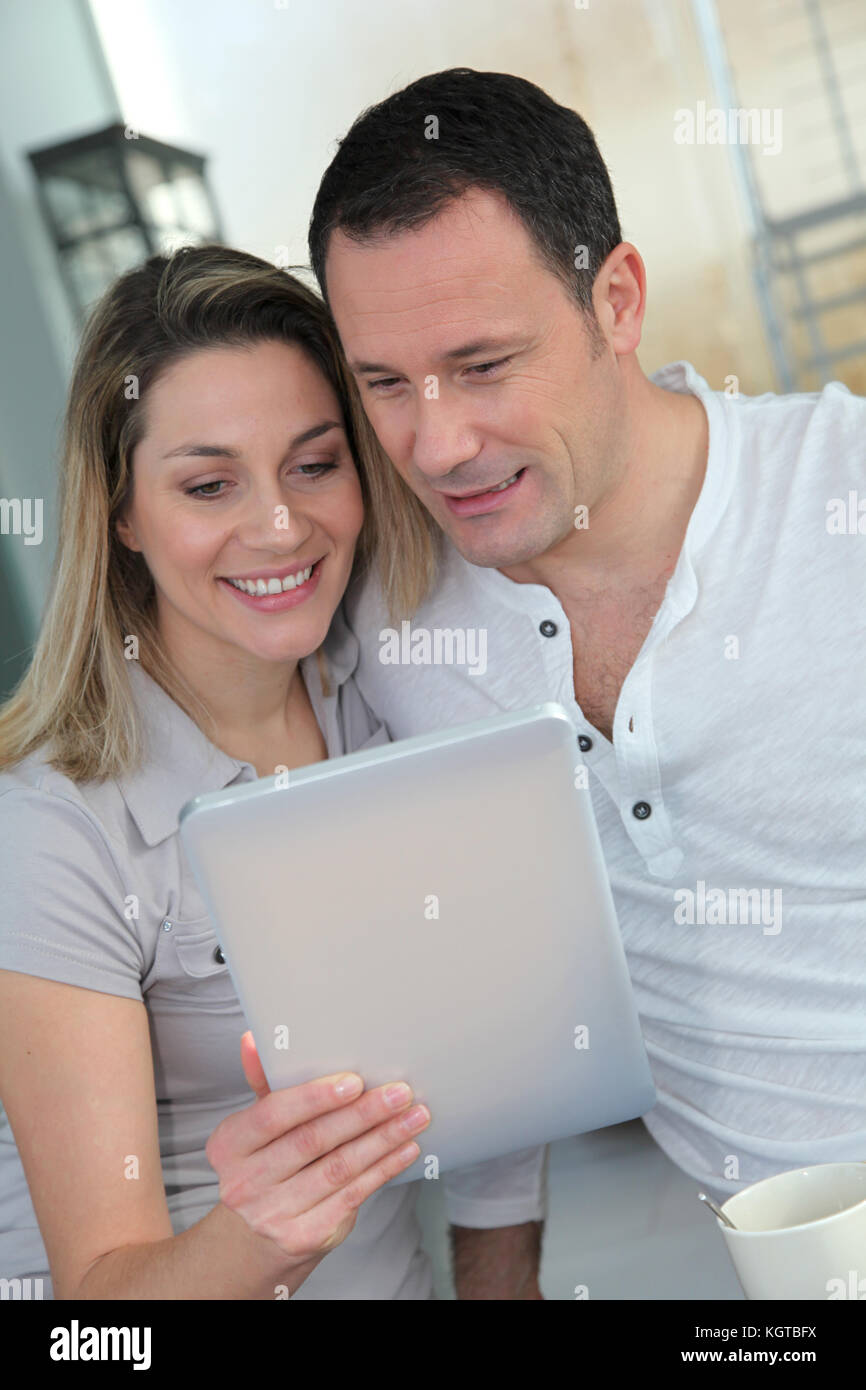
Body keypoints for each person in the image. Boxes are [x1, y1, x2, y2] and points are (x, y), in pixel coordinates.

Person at [307, 67, 866, 1295]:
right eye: (384, 384)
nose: (436, 444)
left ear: (614, 299)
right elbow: (481, 1003)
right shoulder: (396, 629)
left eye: (483, 362)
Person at [0, 244, 544, 1301]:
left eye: (313, 462)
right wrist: (265, 1234)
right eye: (208, 483)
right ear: (120, 512)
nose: (281, 525)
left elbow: (495, 1047)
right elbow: (97, 1308)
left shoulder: (391, 694)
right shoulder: (49, 826)